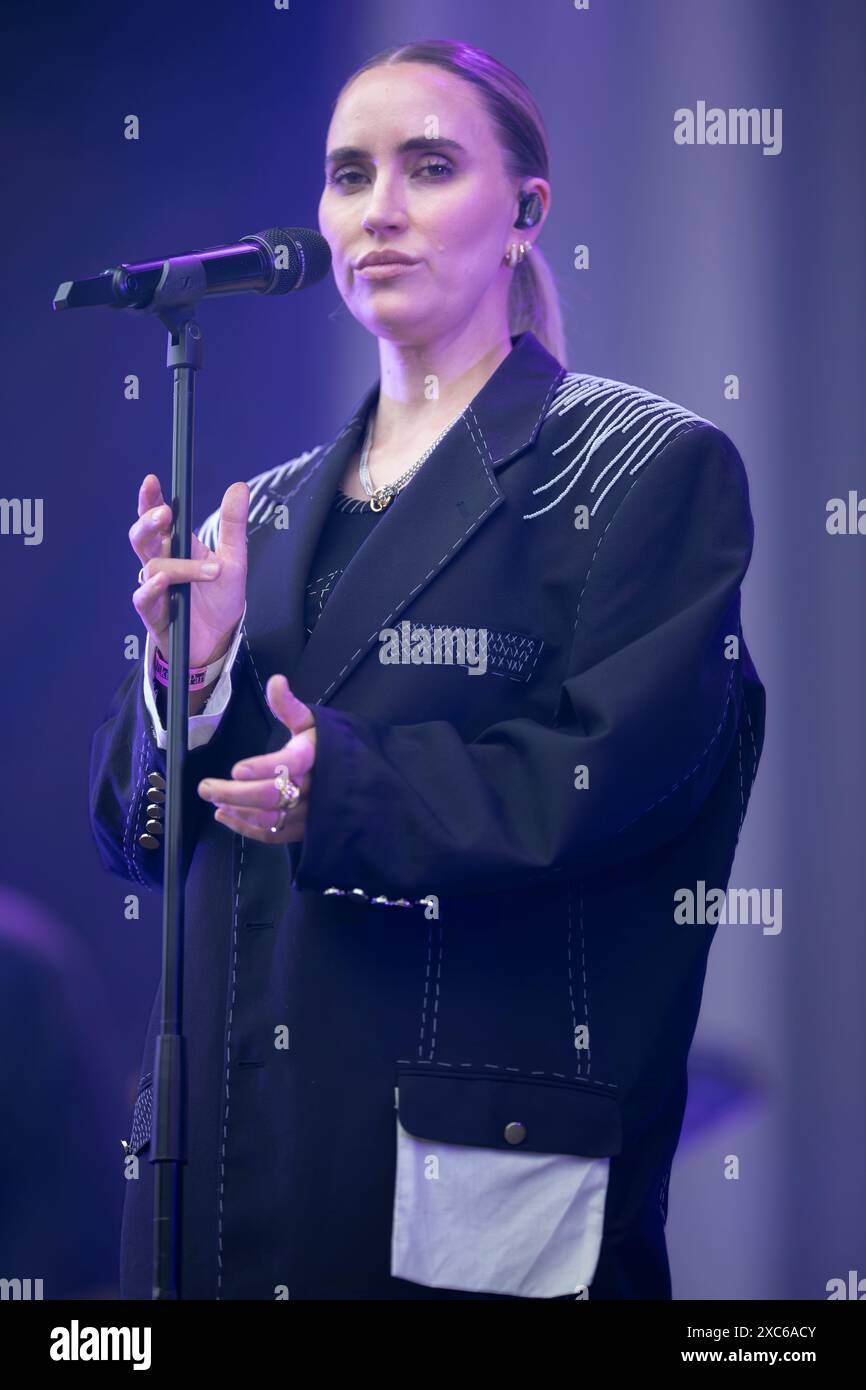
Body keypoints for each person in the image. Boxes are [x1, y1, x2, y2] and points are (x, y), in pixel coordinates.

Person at [89, 38, 766, 1300]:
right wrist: (192, 674)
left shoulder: (640, 469)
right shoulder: (270, 506)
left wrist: (336, 789)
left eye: (429, 166)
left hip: (455, 1174)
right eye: (349, 176)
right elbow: (135, 839)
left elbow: (612, 781)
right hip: (215, 1175)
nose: (377, 209)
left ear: (524, 213)